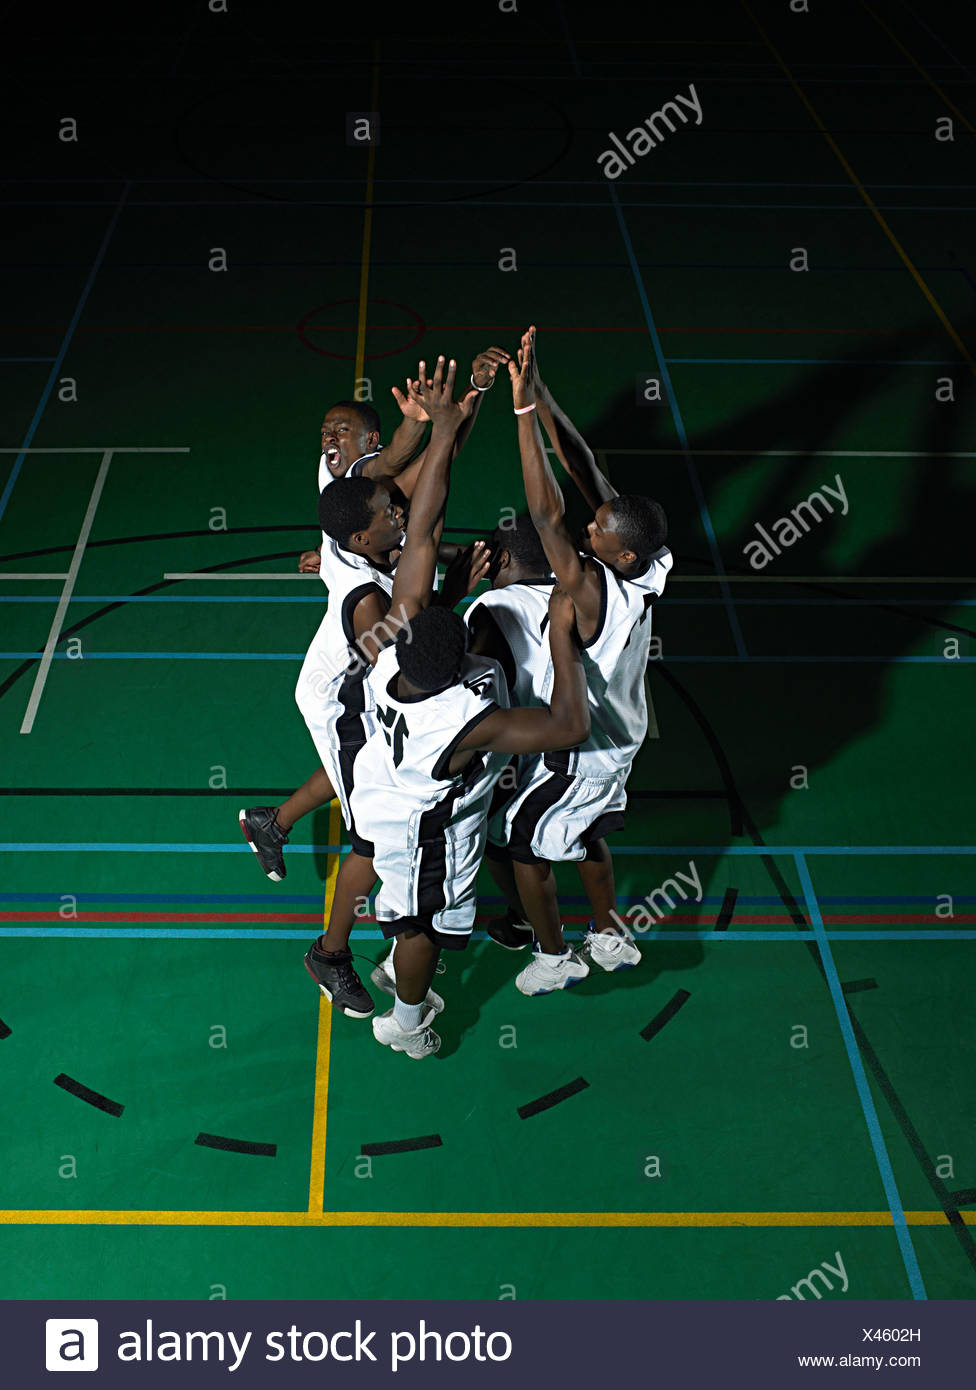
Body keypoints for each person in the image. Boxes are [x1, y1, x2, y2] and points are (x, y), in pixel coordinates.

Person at [335, 357, 591, 1058]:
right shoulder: (464, 719)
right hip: (427, 832)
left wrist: (448, 428)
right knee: (427, 926)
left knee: (404, 915)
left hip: (382, 795)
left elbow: (421, 531)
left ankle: (399, 970)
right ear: (456, 671)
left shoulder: (390, 650)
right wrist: (563, 635)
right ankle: (409, 1022)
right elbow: (569, 725)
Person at [481, 326, 673, 988]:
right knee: (588, 832)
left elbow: (545, 512)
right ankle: (611, 932)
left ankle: (553, 954)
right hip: (624, 737)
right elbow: (587, 470)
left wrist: (522, 414)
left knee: (519, 841)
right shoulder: (648, 561)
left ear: (619, 555)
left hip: (583, 750)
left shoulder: (591, 592)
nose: (590, 528)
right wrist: (543, 392)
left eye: (598, 530)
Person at [298, 348, 510, 573]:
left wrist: (415, 420)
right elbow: (430, 453)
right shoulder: (344, 473)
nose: (330, 437)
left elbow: (396, 458)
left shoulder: (363, 480)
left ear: (371, 441)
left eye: (341, 430)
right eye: (325, 432)